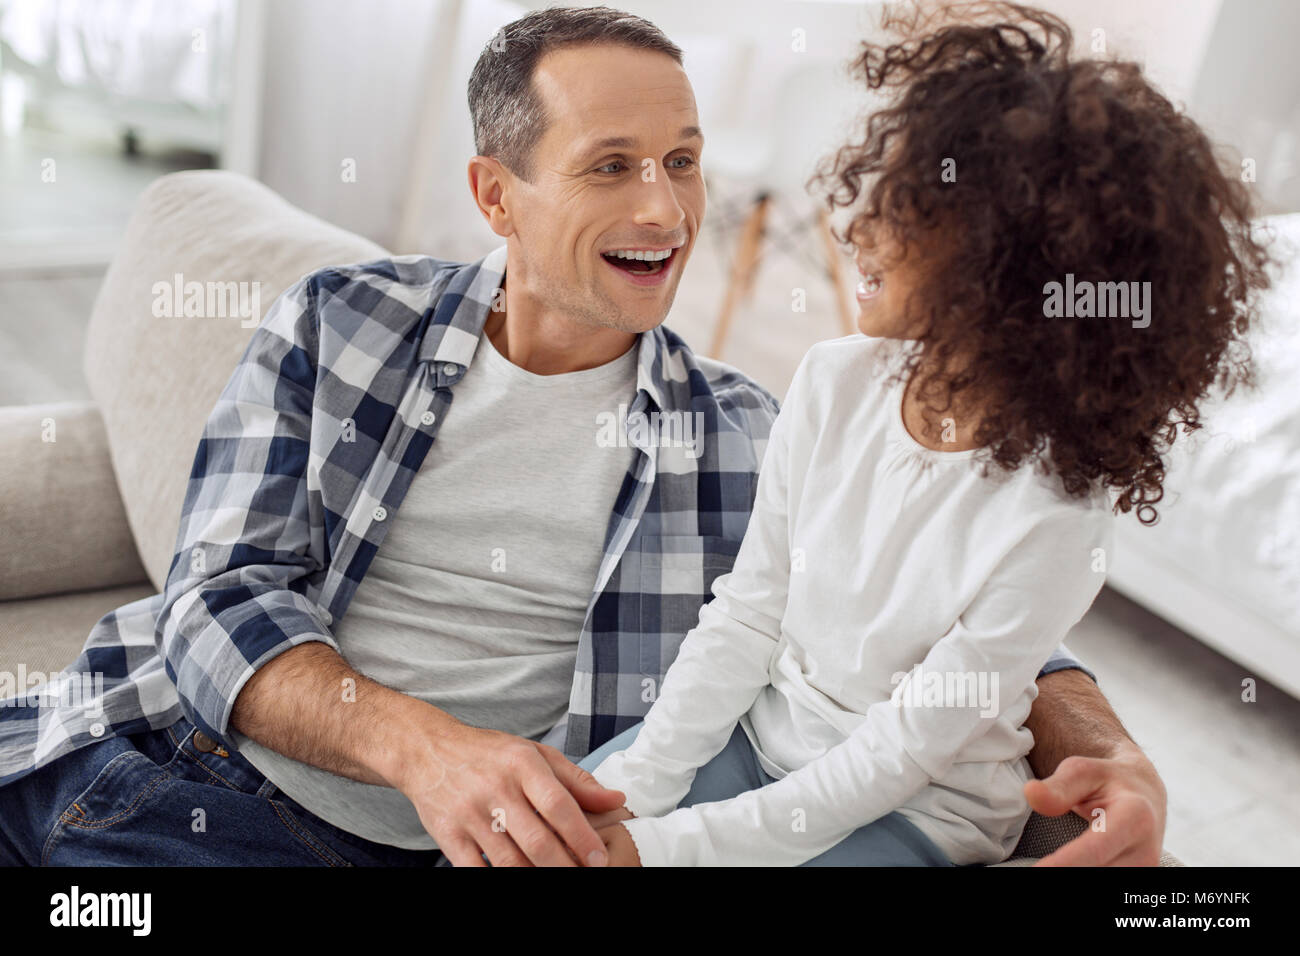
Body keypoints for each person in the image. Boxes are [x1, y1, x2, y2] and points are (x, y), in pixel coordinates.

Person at [0, 5, 1172, 868]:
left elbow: (939, 606)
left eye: (682, 163)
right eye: (610, 167)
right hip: (174, 775)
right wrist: (429, 750)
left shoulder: (744, 433)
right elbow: (217, 595)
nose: (663, 211)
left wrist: (1107, 746)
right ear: (497, 195)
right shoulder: (343, 323)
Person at [576, 1, 1273, 867]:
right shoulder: (834, 381)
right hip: (756, 743)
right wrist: (639, 790)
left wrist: (662, 850)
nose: (855, 225)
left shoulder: (1058, 514)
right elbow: (747, 616)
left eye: (904, 209)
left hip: (910, 810)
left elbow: (897, 755)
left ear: (1007, 265)